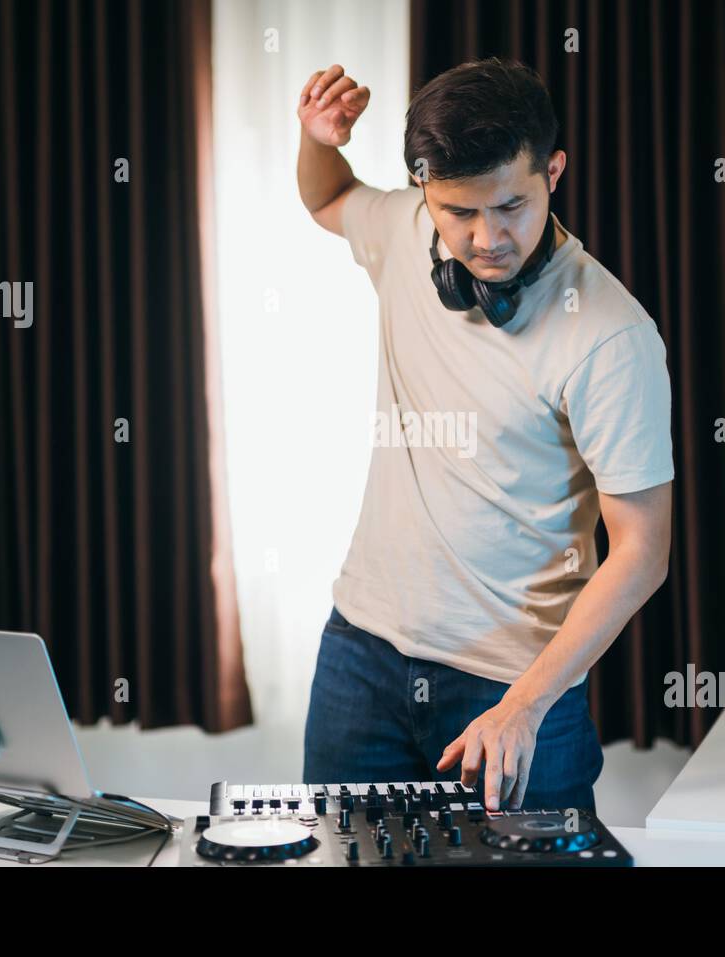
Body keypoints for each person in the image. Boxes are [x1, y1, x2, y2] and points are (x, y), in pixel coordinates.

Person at [297, 58, 673, 813]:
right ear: (425, 194)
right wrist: (315, 139)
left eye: (510, 206)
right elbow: (330, 194)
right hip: (359, 656)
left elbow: (642, 551)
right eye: (457, 212)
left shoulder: (611, 335)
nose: (486, 238)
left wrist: (525, 705)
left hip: (516, 682)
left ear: (554, 171)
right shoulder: (406, 233)